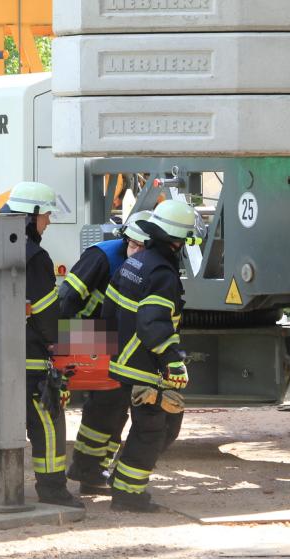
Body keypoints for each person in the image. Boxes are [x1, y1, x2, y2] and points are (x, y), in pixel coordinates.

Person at [0, 181, 83, 509]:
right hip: (27, 361)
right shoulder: (34, 256)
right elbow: (47, 313)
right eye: (46, 215)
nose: (48, 222)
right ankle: (53, 491)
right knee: (47, 424)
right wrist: (55, 344)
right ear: (31, 215)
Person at [104, 200, 196, 512]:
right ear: (177, 240)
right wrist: (171, 359)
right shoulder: (163, 274)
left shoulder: (136, 262)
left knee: (152, 426)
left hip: (125, 358)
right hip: (147, 366)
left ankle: (121, 483)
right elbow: (153, 323)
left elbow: (110, 307)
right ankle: (128, 494)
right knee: (154, 429)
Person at [61, 214, 152, 494]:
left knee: (117, 402)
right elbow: (65, 300)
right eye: (133, 245)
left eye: (143, 248)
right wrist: (63, 347)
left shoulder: (152, 265)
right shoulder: (102, 257)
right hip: (85, 333)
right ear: (125, 239)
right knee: (109, 400)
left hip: (113, 337)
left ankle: (91, 469)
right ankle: (86, 468)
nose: (136, 252)